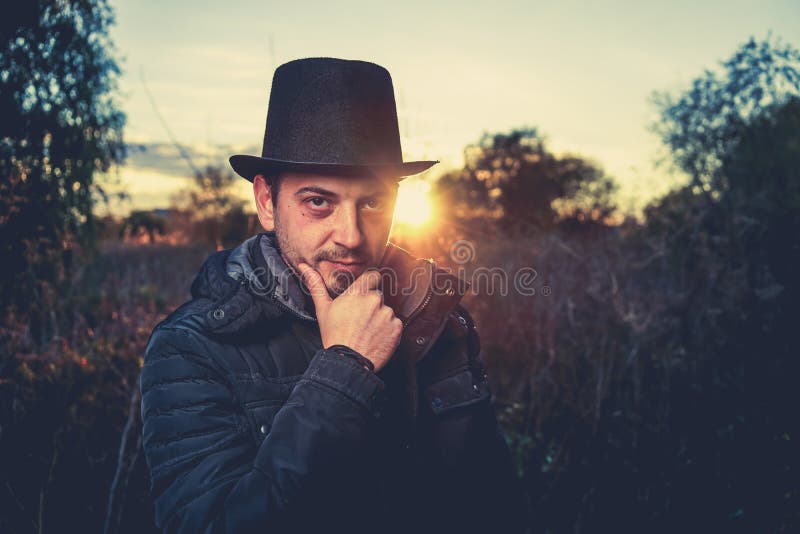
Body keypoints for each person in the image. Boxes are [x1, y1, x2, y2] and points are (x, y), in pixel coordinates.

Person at [139, 57, 527, 533]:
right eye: (318, 202)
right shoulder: (192, 348)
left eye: (373, 202)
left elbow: (494, 502)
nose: (351, 235)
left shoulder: (436, 318)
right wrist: (344, 368)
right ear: (266, 202)